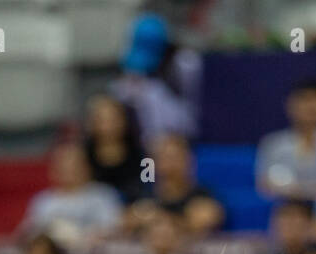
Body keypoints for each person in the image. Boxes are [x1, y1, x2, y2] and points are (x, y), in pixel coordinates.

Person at [109, 12, 201, 145]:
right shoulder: (132, 69)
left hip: (178, 135)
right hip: (144, 140)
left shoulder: (184, 62)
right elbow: (120, 92)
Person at [18, 142, 123, 251]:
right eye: (63, 166)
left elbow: (114, 229)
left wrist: (84, 238)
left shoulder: (103, 196)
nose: (69, 171)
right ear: (54, 170)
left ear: (87, 167)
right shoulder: (43, 201)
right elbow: (29, 235)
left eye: (74, 165)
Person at [255, 79, 316, 202]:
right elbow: (265, 185)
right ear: (290, 105)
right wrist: (304, 192)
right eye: (305, 99)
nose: (311, 106)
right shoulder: (273, 144)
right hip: (287, 211)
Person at [129, 133, 223, 238]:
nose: (170, 163)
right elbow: (128, 220)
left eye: (176, 157)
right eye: (164, 157)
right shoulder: (142, 194)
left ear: (188, 160)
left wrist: (155, 218)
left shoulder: (203, 196)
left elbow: (206, 219)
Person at [84, 93, 148, 205]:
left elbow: (150, 189)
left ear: (124, 120)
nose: (108, 126)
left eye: (113, 119)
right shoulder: (82, 158)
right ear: (91, 123)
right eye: (102, 120)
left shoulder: (145, 156)